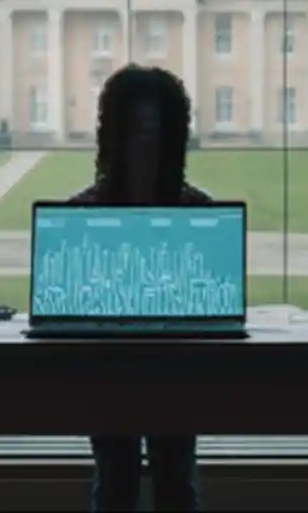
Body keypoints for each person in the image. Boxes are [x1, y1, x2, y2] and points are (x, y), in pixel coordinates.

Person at [71, 64, 208, 512]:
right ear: (114, 135)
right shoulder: (82, 214)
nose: (146, 142)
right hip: (106, 370)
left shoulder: (200, 212)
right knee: (114, 486)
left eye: (156, 130)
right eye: (136, 130)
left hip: (180, 370)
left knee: (176, 487)